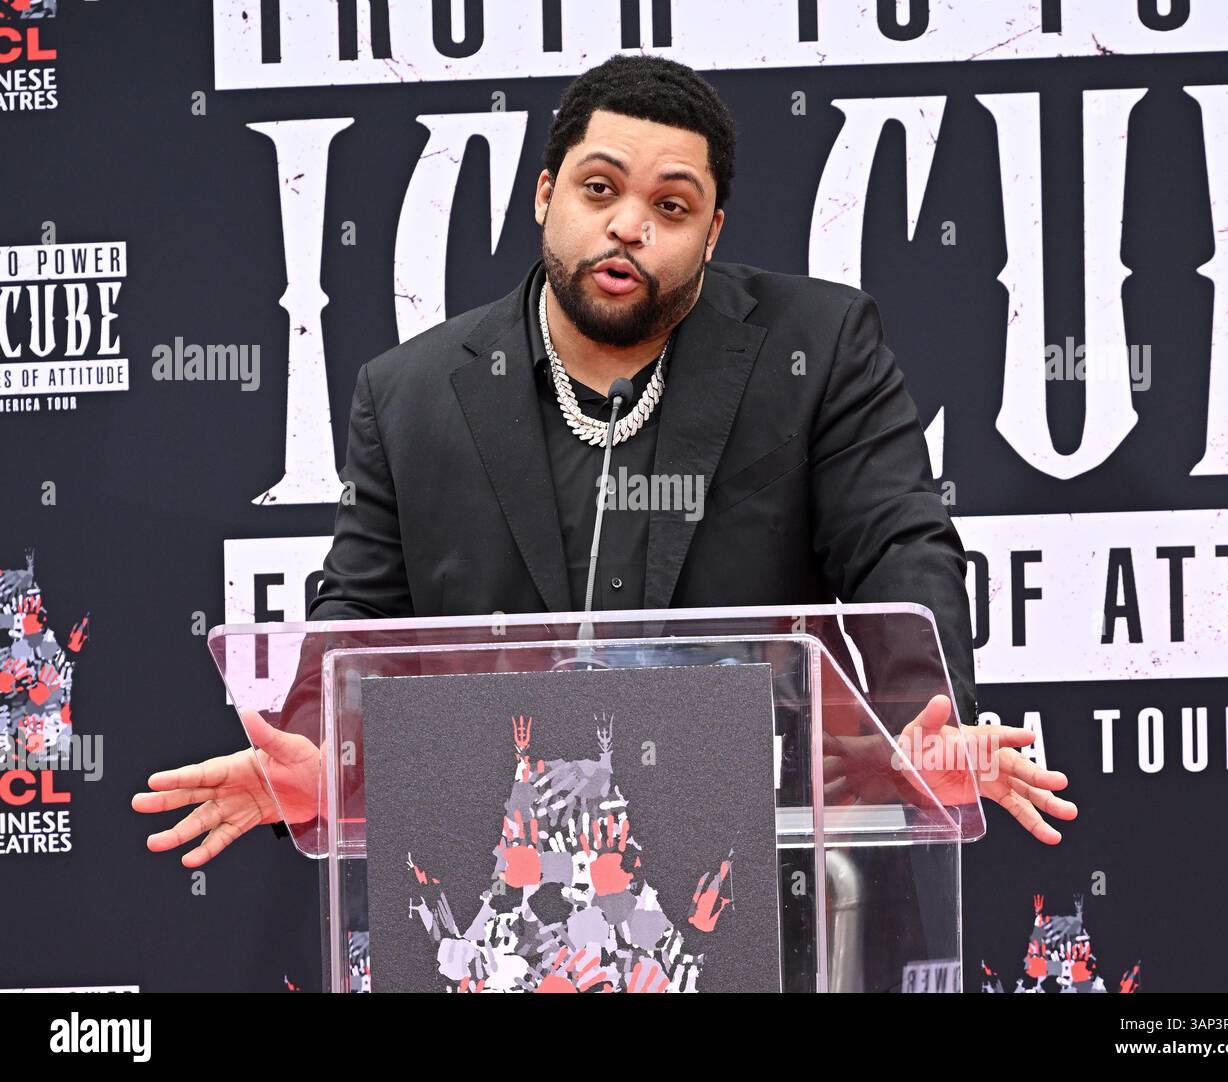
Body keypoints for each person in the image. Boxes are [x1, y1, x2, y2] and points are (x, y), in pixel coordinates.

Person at [132, 54, 1076, 869]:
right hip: (499, 880)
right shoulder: (408, 395)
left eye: (671, 205)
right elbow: (361, 620)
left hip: (761, 862)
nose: (630, 225)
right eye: (599, 188)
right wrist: (320, 751)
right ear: (545, 194)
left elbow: (899, 543)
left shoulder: (817, 349)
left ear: (710, 233)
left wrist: (924, 712)